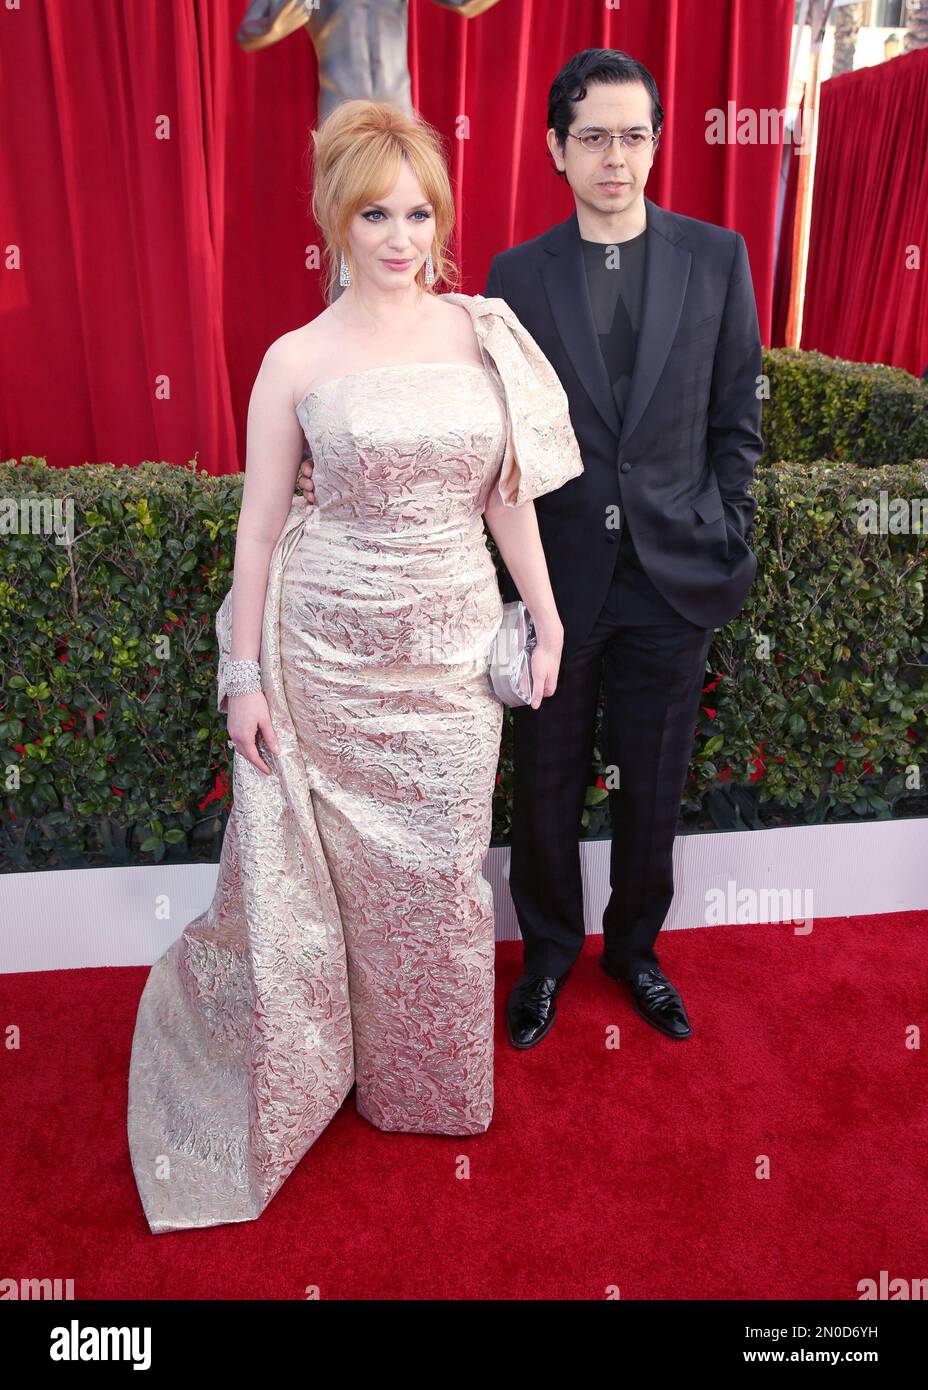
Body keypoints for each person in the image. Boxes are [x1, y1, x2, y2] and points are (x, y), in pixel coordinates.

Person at [126, 98, 583, 1234]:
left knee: (434, 872)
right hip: (325, 649)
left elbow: (505, 490)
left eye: (418, 211)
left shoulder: (483, 332)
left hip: (447, 655)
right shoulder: (296, 358)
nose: (399, 235)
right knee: (335, 881)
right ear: (338, 216)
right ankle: (326, 1062)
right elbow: (259, 532)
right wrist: (245, 680)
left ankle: (427, 1083)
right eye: (376, 211)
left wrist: (546, 608)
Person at [301, 48, 765, 1053]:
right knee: (544, 782)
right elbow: (494, 436)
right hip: (556, 579)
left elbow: (737, 420)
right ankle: (548, 955)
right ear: (557, 147)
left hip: (675, 576)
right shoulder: (516, 276)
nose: (616, 155)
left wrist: (728, 523)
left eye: (634, 134)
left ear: (654, 142)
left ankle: (636, 951)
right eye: (593, 136)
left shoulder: (715, 256)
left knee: (654, 780)